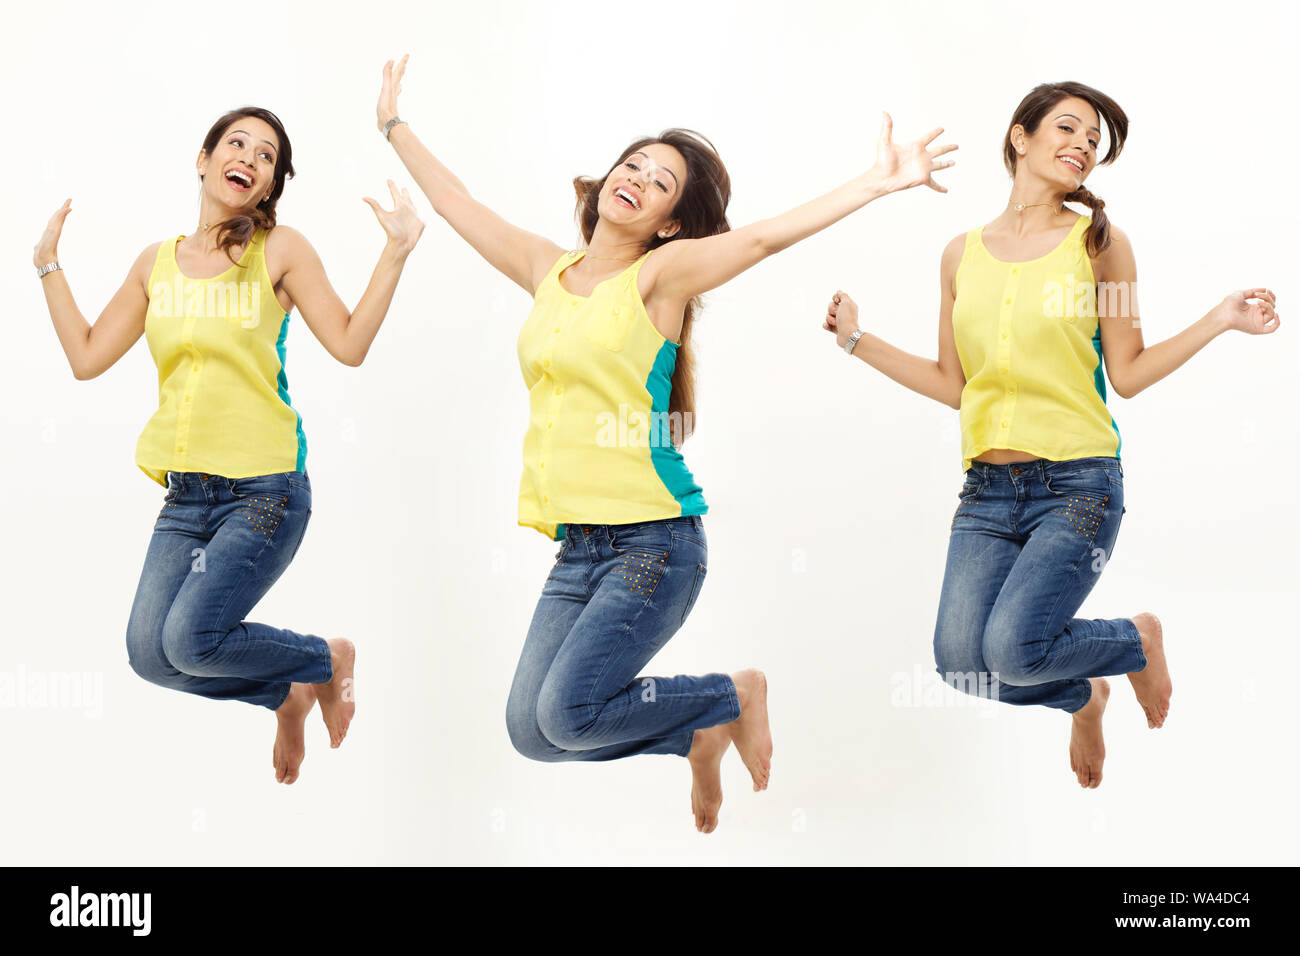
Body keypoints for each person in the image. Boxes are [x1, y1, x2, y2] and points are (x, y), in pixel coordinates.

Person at [376, 55, 955, 831]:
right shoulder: (549, 270)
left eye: (659, 183)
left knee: (571, 713)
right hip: (579, 549)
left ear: (670, 222)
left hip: (653, 546)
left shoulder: (661, 279)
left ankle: (731, 696)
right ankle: (695, 734)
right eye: (633, 164)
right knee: (532, 732)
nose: (637, 179)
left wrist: (872, 183)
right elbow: (456, 202)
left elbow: (760, 241)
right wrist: (392, 125)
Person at [823, 81, 1279, 789]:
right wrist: (857, 339)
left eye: (1094, 141)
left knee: (1011, 648)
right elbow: (955, 383)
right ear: (1020, 137)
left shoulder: (1101, 244)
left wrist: (1218, 319)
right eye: (1068, 129)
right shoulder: (959, 254)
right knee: (960, 665)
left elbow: (1126, 372)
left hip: (1078, 485)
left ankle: (1135, 639)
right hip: (985, 491)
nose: (1082, 147)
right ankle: (1084, 693)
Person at [34, 106, 425, 784]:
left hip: (264, 493)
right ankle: (288, 692)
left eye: (267, 155)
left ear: (270, 184)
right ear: (204, 159)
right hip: (186, 499)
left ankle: (325, 660)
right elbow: (87, 356)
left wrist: (393, 253)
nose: (249, 157)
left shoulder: (282, 251)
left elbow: (350, 344)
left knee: (190, 638)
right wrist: (48, 267)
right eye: (236, 143)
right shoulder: (154, 264)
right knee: (151, 655)